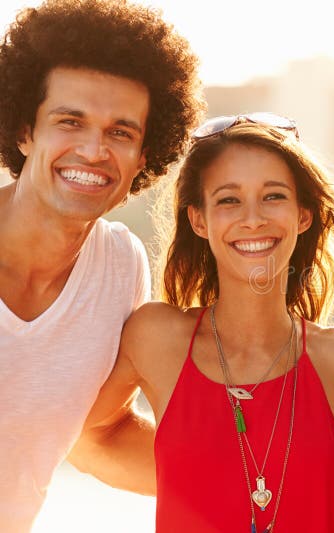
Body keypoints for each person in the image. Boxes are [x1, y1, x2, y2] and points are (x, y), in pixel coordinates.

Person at [102, 114, 334, 532]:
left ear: (303, 214)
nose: (253, 218)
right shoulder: (155, 338)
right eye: (229, 200)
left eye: (274, 196)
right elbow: (89, 436)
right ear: (199, 219)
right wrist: (196, 479)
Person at [0, 0, 203, 530]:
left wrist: (256, 475)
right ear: (25, 132)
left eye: (120, 132)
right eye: (70, 122)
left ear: (144, 156)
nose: (93, 151)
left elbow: (99, 437)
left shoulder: (119, 266)